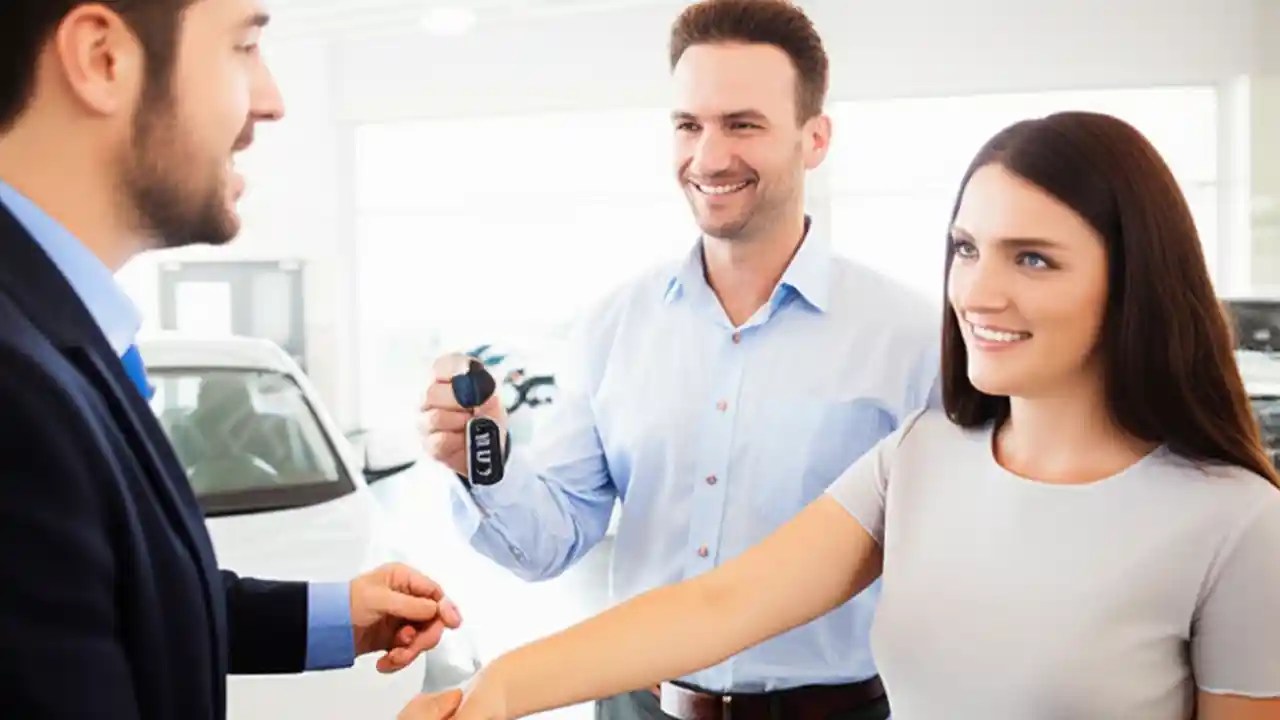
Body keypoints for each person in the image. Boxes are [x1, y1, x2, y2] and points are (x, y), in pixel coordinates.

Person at [403, 111, 1280, 720]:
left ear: (1133, 282)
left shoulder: (1232, 523)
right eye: (967, 248)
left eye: (1036, 259)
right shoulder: (921, 457)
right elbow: (723, 603)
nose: (980, 289)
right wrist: (502, 689)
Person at [418, 1, 936, 719]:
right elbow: (549, 545)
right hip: (637, 707)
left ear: (814, 138)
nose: (709, 157)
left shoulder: (913, 339)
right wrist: (488, 461)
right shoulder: (612, 327)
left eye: (743, 125)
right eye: (689, 125)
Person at [0, 1, 463, 717]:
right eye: (244, 47)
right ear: (102, 59)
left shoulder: (50, 331)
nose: (272, 101)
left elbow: (123, 594)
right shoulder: (16, 392)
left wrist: (339, 613)